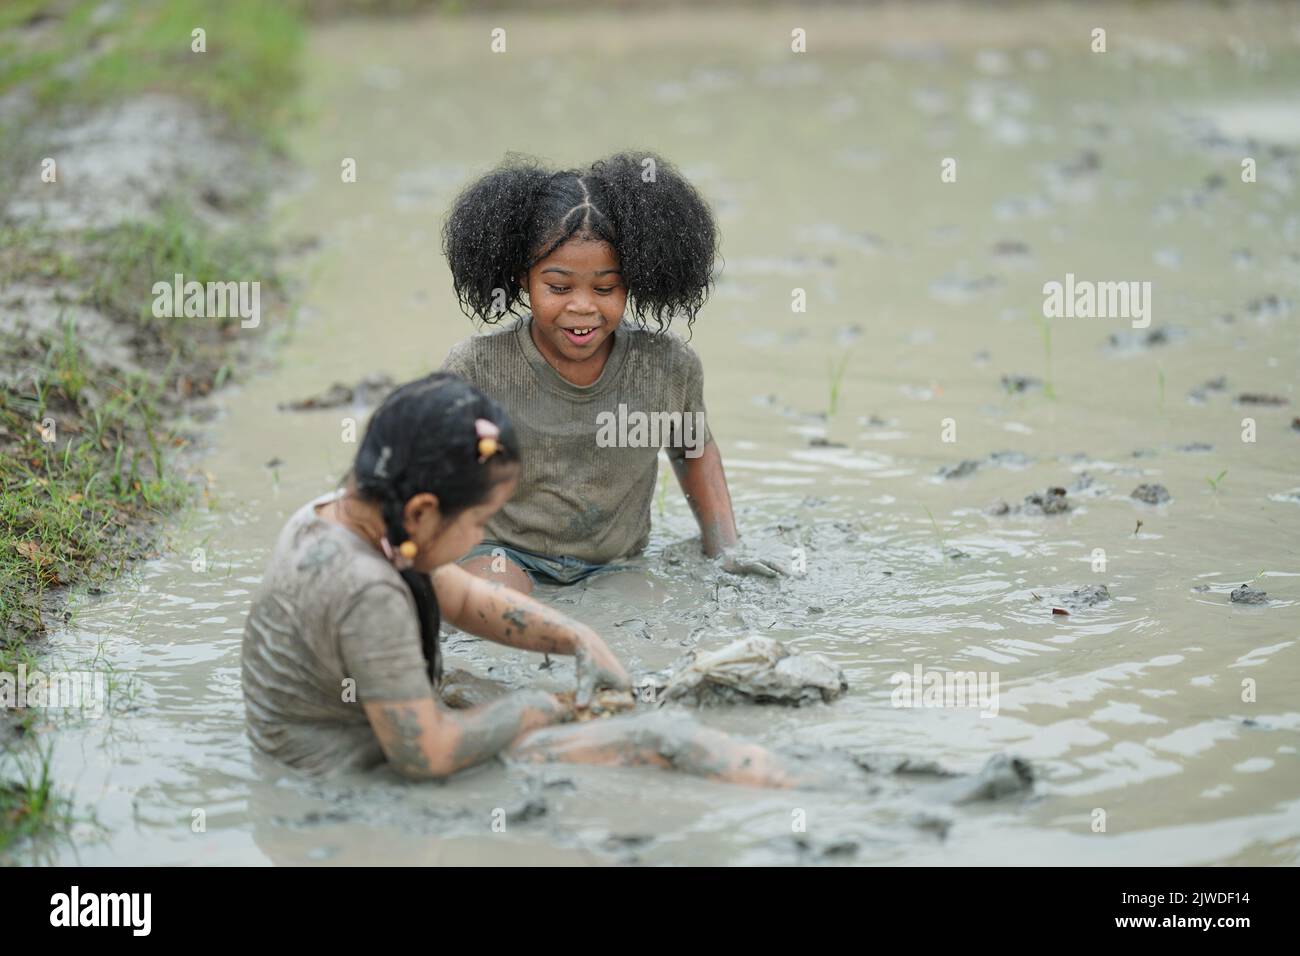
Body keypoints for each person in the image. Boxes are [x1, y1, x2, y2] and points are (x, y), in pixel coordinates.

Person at [241, 373, 819, 787]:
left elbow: (463, 596)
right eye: (477, 523)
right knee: (659, 739)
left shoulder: (343, 514)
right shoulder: (367, 592)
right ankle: (825, 790)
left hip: (327, 737)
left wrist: (578, 639)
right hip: (344, 774)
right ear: (419, 512)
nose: (481, 537)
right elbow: (426, 756)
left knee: (552, 703)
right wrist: (532, 710)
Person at [440, 150, 784, 593]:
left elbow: (693, 451)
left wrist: (726, 550)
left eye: (605, 288)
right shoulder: (478, 366)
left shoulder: (666, 366)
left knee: (643, 629)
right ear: (523, 279)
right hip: (503, 554)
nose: (582, 307)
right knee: (495, 599)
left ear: (634, 280)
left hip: (617, 564)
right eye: (559, 287)